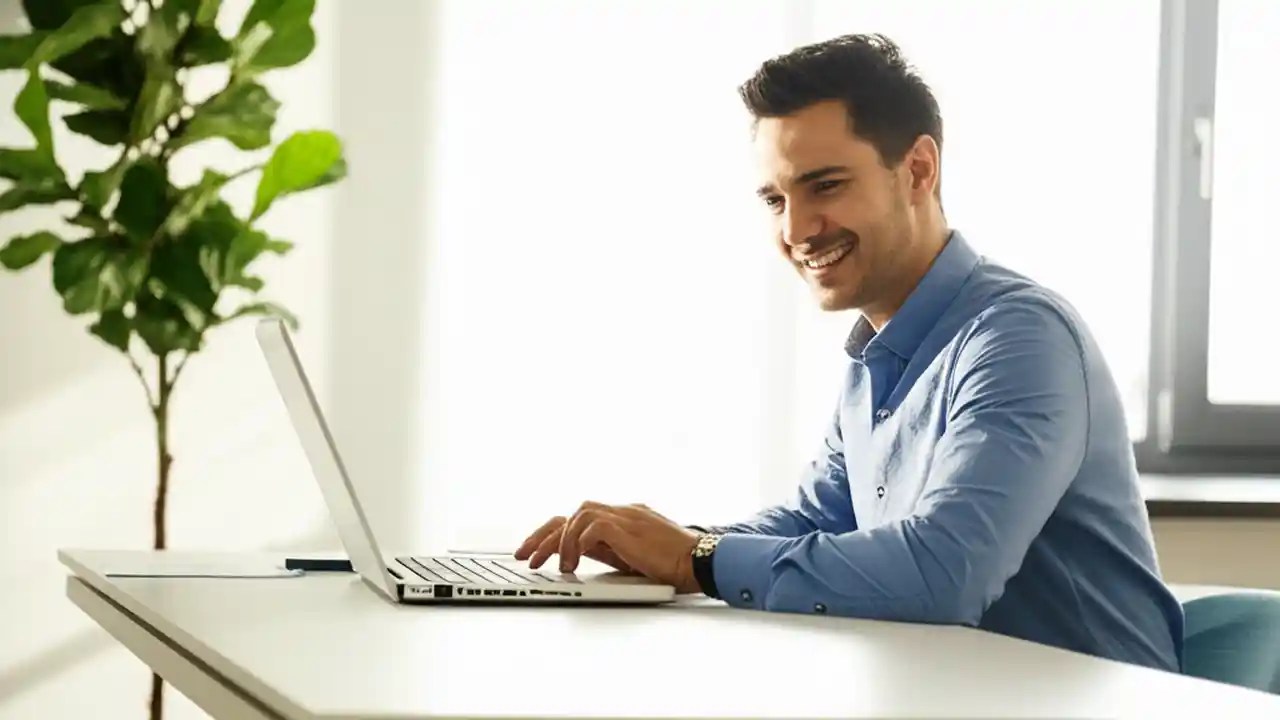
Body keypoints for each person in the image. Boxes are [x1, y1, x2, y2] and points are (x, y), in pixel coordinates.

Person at [514, 33, 1183, 672]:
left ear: (918, 170)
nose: (795, 229)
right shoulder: (878, 356)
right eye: (776, 198)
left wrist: (697, 557)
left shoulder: (1018, 339)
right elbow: (814, 519)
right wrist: (657, 546)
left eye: (825, 186)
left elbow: (944, 574)